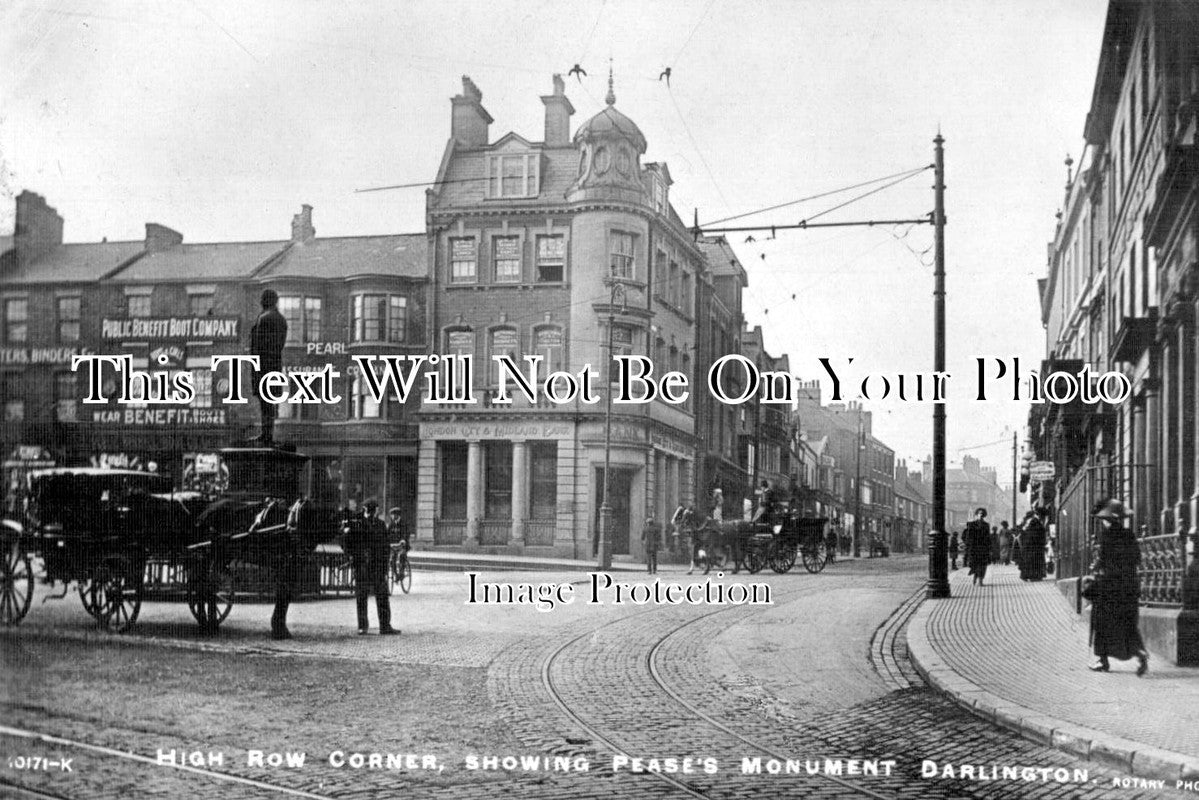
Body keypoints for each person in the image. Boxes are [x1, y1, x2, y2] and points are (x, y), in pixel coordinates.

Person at [1087, 500, 1148, 676]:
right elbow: (1137, 558)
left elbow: (1104, 560)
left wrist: (1095, 567)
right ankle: (1139, 652)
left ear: (1106, 520)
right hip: (1129, 586)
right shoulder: (1129, 534)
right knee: (1127, 623)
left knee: (1102, 622)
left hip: (1110, 586)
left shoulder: (1106, 536)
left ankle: (1102, 660)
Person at [344, 499, 398, 636]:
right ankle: (362, 626)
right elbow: (347, 541)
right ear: (371, 510)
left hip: (378, 566)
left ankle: (385, 626)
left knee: (382, 596)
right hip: (362, 565)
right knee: (362, 596)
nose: (377, 512)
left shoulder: (380, 525)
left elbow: (385, 547)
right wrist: (352, 556)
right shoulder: (357, 523)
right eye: (376, 509)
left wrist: (385, 567)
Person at [249, 289, 288, 446]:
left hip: (263, 366)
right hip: (275, 365)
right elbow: (280, 345)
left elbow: (258, 346)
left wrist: (257, 368)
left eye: (263, 299)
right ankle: (267, 434)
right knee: (269, 401)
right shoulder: (281, 320)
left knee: (265, 402)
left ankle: (266, 435)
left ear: (267, 301)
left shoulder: (264, 318)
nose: (260, 302)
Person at [963, 507, 991, 586]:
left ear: (984, 515)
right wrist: (968, 547)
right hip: (974, 548)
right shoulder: (972, 524)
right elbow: (968, 537)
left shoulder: (986, 525)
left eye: (982, 514)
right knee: (975, 564)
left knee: (983, 565)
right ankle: (975, 576)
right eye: (979, 514)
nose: (981, 515)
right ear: (976, 514)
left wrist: (989, 548)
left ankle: (980, 580)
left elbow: (988, 537)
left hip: (983, 548)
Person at [1019, 510, 1048, 581]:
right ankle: (1034, 576)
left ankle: (1026, 576)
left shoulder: (1030, 522)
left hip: (1029, 546)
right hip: (1035, 547)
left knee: (1029, 562)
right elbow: (1039, 534)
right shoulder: (1036, 522)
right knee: (1034, 562)